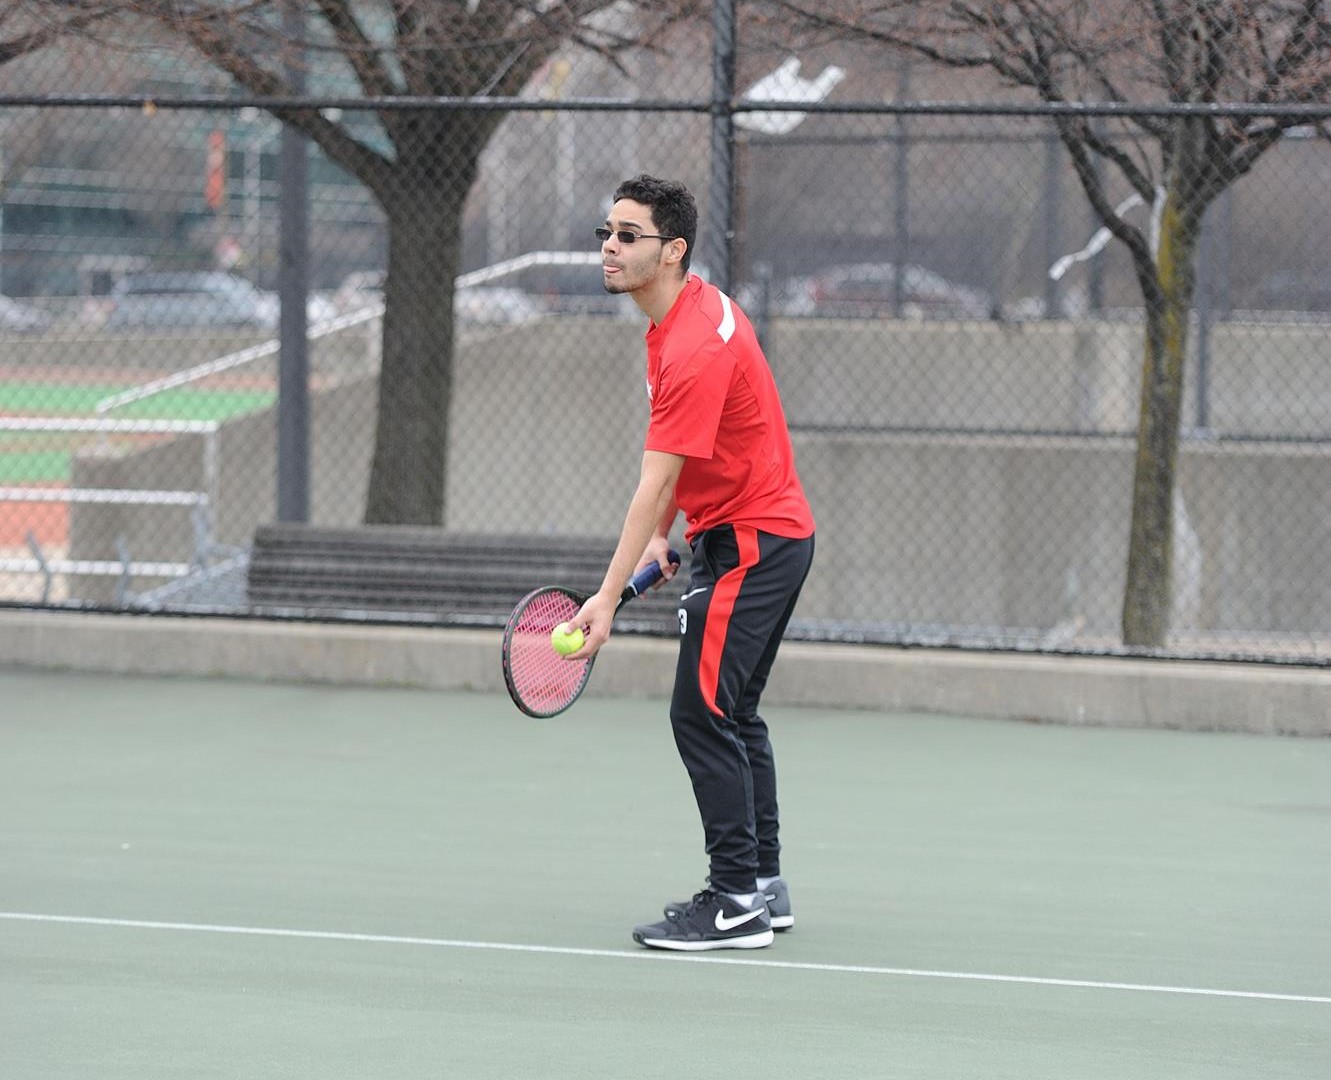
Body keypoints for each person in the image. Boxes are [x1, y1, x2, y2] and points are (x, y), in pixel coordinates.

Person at [566, 175, 815, 952]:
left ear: (670, 251)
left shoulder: (688, 347)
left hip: (751, 546)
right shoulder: (689, 312)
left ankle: (734, 900)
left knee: (700, 714)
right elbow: (689, 463)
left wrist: (604, 600)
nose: (609, 246)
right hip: (762, 536)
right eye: (606, 231)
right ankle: (762, 887)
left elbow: (656, 478)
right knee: (732, 714)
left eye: (627, 235)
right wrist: (659, 538)